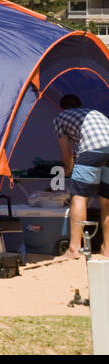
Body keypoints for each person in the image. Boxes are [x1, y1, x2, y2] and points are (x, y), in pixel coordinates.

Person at [53, 93, 109, 259]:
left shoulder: (60, 117)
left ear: (62, 108)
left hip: (91, 150)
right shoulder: (95, 112)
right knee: (106, 201)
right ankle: (107, 249)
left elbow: (66, 153)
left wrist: (68, 171)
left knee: (79, 197)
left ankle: (74, 249)